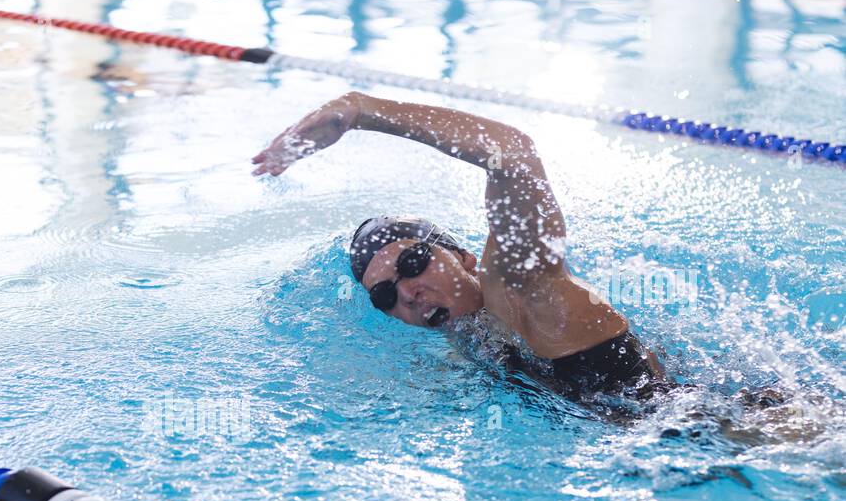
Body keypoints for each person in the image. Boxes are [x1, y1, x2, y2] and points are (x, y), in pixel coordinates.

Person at [251, 91, 674, 405]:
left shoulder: (523, 290)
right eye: (385, 295)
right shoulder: (472, 337)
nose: (407, 292)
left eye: (413, 263)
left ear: (464, 257)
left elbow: (515, 156)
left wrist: (362, 112)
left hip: (714, 438)